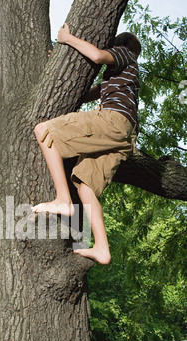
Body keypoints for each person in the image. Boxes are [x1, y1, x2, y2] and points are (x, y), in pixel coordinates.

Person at [31, 24, 141, 265]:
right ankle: (102, 247)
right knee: (85, 185)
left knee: (43, 130)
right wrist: (59, 62)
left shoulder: (126, 54)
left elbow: (97, 55)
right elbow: (82, 93)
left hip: (114, 120)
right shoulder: (119, 81)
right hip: (125, 136)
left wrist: (67, 38)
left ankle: (62, 199)